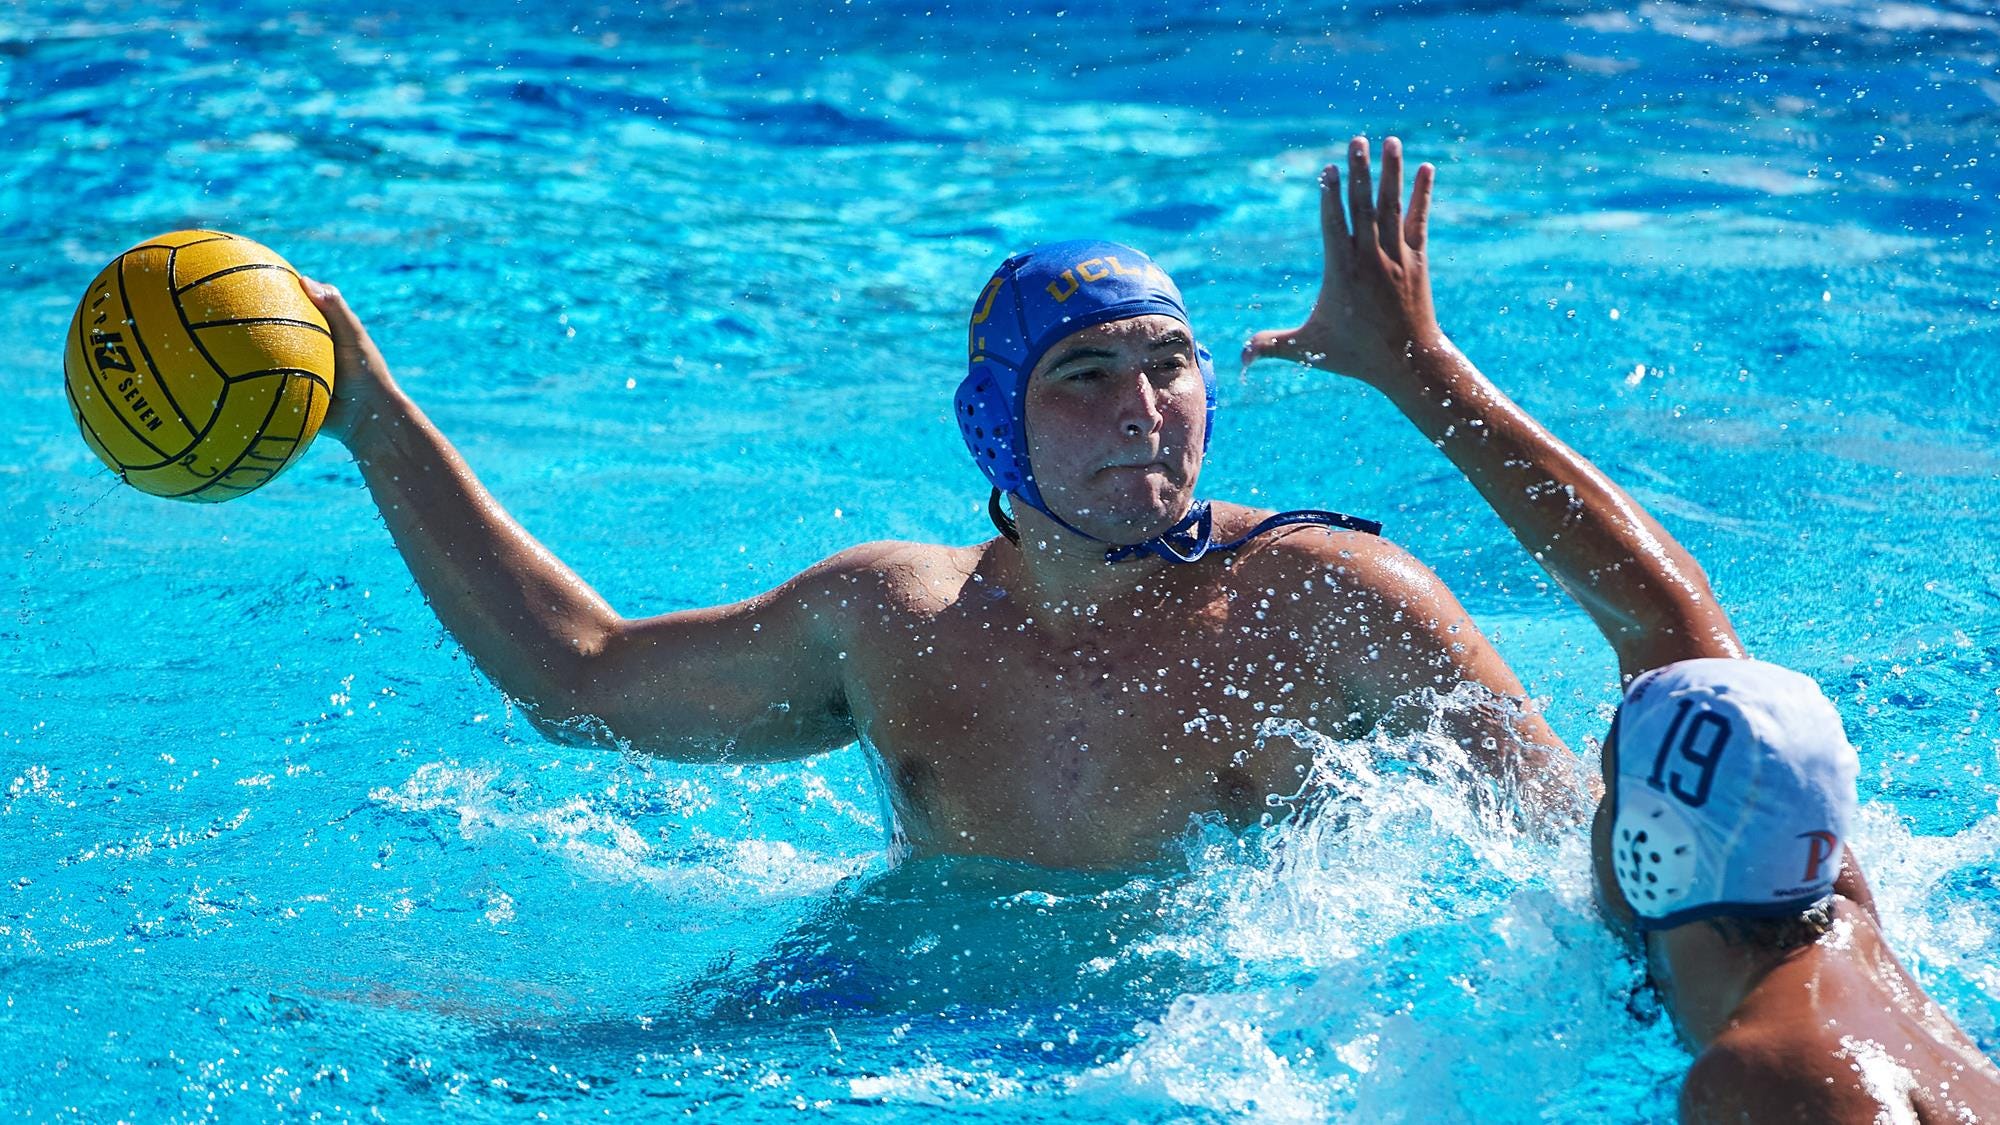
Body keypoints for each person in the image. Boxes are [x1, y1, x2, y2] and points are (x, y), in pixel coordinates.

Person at [297, 137, 1584, 871]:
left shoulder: (1330, 602)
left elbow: (1586, 854)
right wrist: (372, 422)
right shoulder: (888, 619)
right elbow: (578, 684)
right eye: (1085, 376)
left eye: (1168, 368)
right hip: (890, 1024)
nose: (1144, 410)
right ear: (993, 425)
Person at [1246, 137, 2000, 1121]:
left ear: (1647, 853)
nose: (1582, 809)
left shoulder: (1766, 1074)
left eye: (1606, 789)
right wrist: (1414, 366)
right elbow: (1665, 621)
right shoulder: (1827, 916)